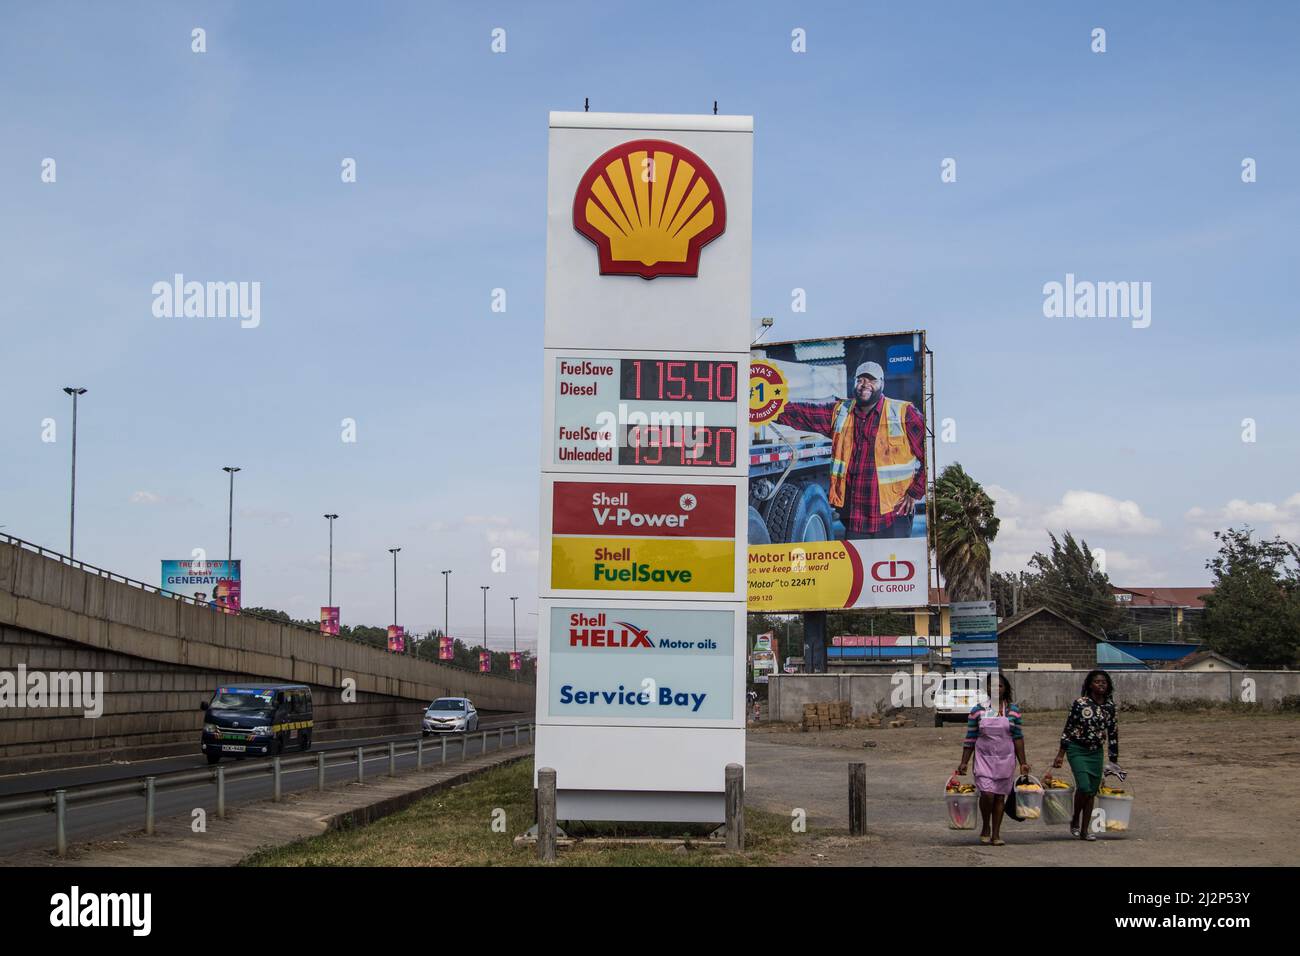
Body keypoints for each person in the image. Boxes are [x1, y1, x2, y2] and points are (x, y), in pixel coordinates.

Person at [773, 361, 925, 539]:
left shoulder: (903, 413)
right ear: (854, 383)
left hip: (893, 514)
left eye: (872, 380)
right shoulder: (840, 413)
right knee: (857, 566)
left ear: (882, 384)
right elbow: (803, 412)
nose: (865, 385)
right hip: (855, 518)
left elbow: (929, 453)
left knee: (890, 565)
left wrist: (915, 492)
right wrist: (769, 407)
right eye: (861, 379)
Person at [956, 673, 1029, 846]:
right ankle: (985, 826)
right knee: (987, 794)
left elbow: (1018, 738)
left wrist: (1023, 762)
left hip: (1006, 759)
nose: (996, 689)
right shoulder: (977, 710)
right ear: (986, 688)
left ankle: (996, 833)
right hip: (984, 759)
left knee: (999, 797)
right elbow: (970, 737)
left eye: (1000, 685)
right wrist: (964, 761)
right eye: (992, 685)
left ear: (1005, 689)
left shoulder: (1013, 711)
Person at [1052, 669, 1121, 841]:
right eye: (1097, 682)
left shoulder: (1110, 707)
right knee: (1083, 786)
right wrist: (1061, 754)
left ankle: (1084, 830)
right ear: (1090, 684)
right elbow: (1068, 728)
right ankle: (1075, 818)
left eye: (1104, 682)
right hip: (1077, 750)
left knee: (1091, 792)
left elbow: (1113, 733)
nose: (1101, 684)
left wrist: (1113, 761)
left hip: (1096, 752)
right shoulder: (1080, 703)